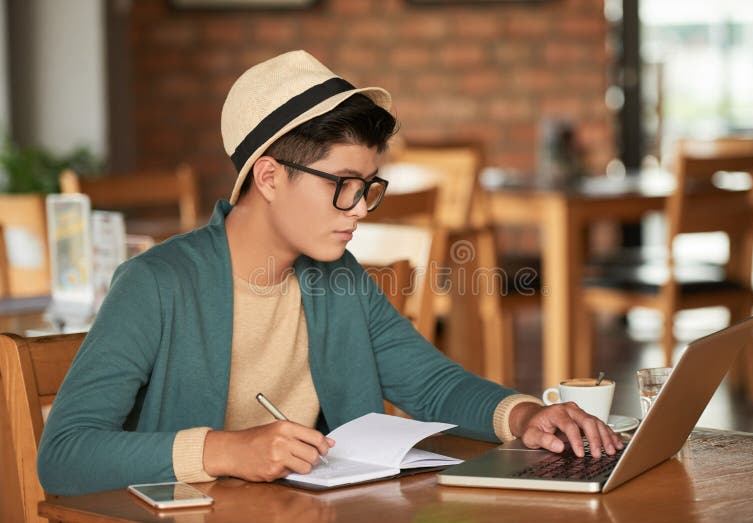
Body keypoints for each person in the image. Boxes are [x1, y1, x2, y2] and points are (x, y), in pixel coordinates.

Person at [37, 50, 622, 496]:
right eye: (343, 185)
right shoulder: (156, 284)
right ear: (269, 177)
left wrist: (524, 415)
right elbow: (64, 454)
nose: (361, 208)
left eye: (368, 187)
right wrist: (225, 451)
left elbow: (431, 384)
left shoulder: (337, 277)